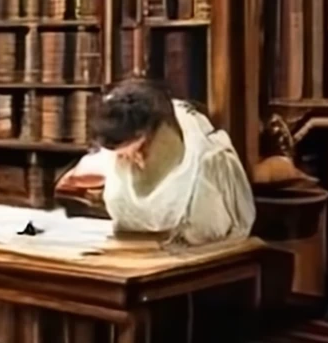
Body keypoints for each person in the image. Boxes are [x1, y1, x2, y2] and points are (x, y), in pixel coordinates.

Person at [55, 78, 255, 246]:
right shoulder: (114, 153)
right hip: (133, 252)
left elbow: (210, 230)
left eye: (141, 148)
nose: (135, 158)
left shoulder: (206, 161)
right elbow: (71, 180)